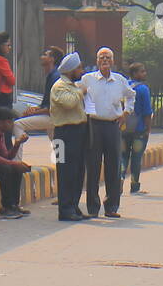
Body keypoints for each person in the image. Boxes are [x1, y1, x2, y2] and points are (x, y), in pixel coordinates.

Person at [80, 47, 134, 218]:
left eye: (108, 57)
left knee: (113, 166)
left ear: (113, 61)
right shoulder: (87, 79)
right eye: (101, 57)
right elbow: (76, 96)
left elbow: (131, 96)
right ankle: (93, 208)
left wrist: (126, 112)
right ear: (97, 61)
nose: (105, 60)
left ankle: (111, 206)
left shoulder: (120, 80)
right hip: (93, 125)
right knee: (93, 166)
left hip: (113, 126)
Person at [50, 52, 88, 221]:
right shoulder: (59, 86)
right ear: (71, 69)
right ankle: (65, 209)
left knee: (78, 171)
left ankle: (73, 206)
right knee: (66, 171)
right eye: (79, 67)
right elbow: (69, 103)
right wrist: (80, 91)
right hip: (63, 133)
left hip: (78, 132)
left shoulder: (73, 85)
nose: (81, 70)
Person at [120, 62, 154, 194]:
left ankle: (120, 179)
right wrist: (148, 129)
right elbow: (147, 112)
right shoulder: (143, 89)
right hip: (139, 130)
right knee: (136, 158)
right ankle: (134, 186)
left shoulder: (124, 86)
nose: (144, 73)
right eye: (142, 71)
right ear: (135, 73)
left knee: (122, 157)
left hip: (123, 128)